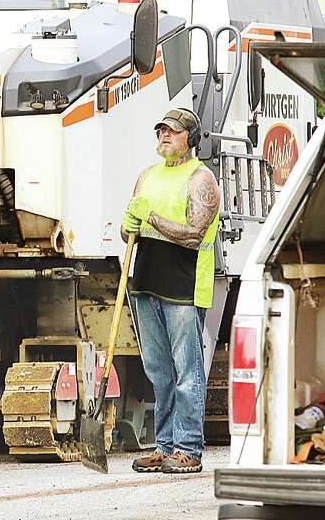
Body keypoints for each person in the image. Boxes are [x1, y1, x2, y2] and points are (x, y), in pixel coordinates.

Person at [121, 107, 222, 475]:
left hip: (183, 285)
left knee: (187, 371)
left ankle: (188, 448)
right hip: (146, 282)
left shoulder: (201, 180)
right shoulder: (146, 177)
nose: (164, 136)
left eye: (173, 132)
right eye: (161, 130)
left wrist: (150, 217)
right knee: (158, 370)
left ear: (191, 139)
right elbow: (131, 231)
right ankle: (164, 445)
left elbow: (194, 235)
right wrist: (128, 223)